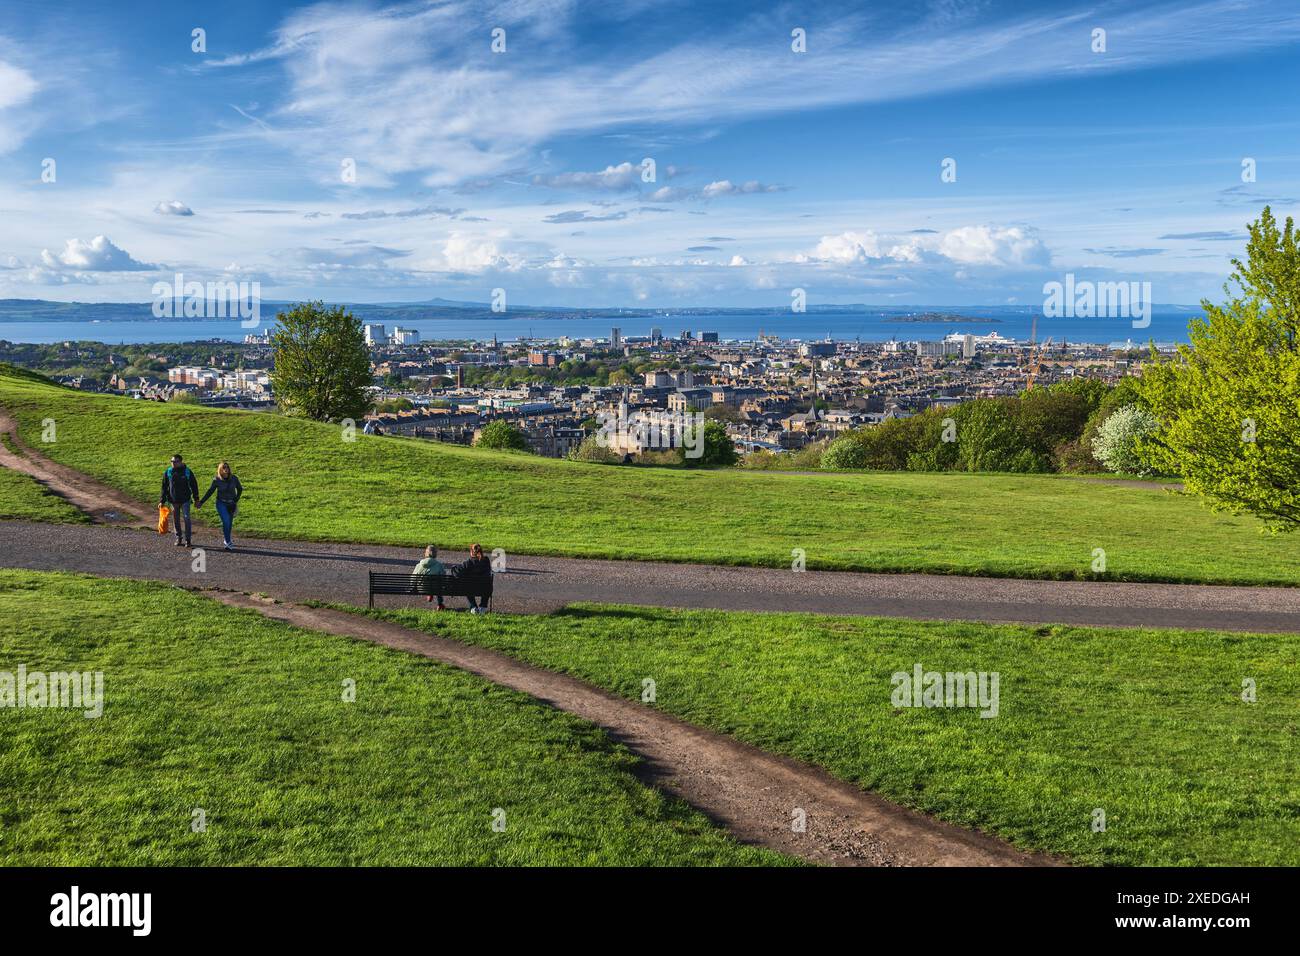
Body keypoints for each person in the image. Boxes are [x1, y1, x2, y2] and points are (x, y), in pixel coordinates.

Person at [198, 461, 244, 551]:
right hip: (221, 503)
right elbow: (210, 491)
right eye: (224, 468)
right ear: (220, 470)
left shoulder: (234, 478)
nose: (226, 469)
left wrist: (237, 498)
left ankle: (227, 538)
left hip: (231, 504)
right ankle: (227, 542)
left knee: (229, 524)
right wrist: (201, 502)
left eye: (227, 467)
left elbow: (240, 488)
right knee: (226, 521)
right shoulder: (216, 480)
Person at [159, 454, 200, 548]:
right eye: (172, 461)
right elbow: (164, 487)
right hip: (173, 500)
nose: (173, 463)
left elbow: (194, 485)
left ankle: (188, 540)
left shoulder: (187, 472)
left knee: (187, 519)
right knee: (176, 520)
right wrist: (162, 500)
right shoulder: (168, 472)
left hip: (185, 500)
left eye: (175, 461)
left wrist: (196, 499)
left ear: (181, 462)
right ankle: (178, 538)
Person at [450, 543, 493, 613]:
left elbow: (457, 573)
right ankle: (483, 606)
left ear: (471, 552)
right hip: (484, 589)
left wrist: (454, 568)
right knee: (487, 584)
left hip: (471, 589)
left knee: (467, 585)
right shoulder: (486, 561)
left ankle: (473, 606)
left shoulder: (468, 563)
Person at [412, 545, 446, 609]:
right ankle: (440, 604)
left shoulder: (419, 565)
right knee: (438, 584)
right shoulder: (439, 565)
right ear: (435, 554)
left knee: (432, 583)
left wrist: (414, 586)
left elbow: (413, 578)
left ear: (425, 554)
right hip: (435, 589)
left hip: (422, 589)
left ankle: (430, 594)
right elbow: (443, 578)